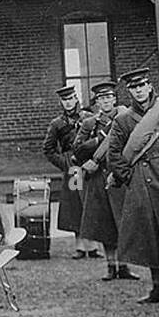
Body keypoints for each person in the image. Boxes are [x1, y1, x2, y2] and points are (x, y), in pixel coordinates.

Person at [109, 67, 159, 304]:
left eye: (142, 85)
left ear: (150, 86)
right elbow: (114, 155)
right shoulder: (122, 120)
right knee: (151, 237)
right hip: (143, 181)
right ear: (129, 91)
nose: (139, 90)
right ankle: (156, 287)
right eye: (134, 87)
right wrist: (130, 178)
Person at [73, 81, 138, 281]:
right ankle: (111, 266)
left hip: (120, 175)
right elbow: (77, 149)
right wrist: (98, 141)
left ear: (115, 99)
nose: (106, 101)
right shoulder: (89, 123)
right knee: (105, 223)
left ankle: (124, 265)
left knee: (123, 221)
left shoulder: (125, 118)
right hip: (99, 177)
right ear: (97, 103)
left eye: (109, 97)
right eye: (101, 98)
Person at [42, 83, 92, 258]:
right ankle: (80, 246)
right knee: (75, 204)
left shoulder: (89, 117)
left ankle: (92, 246)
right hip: (73, 167)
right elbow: (48, 149)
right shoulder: (57, 124)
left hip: (91, 164)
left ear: (76, 98)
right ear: (61, 103)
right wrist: (65, 164)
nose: (69, 103)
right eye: (65, 100)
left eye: (71, 98)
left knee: (92, 201)